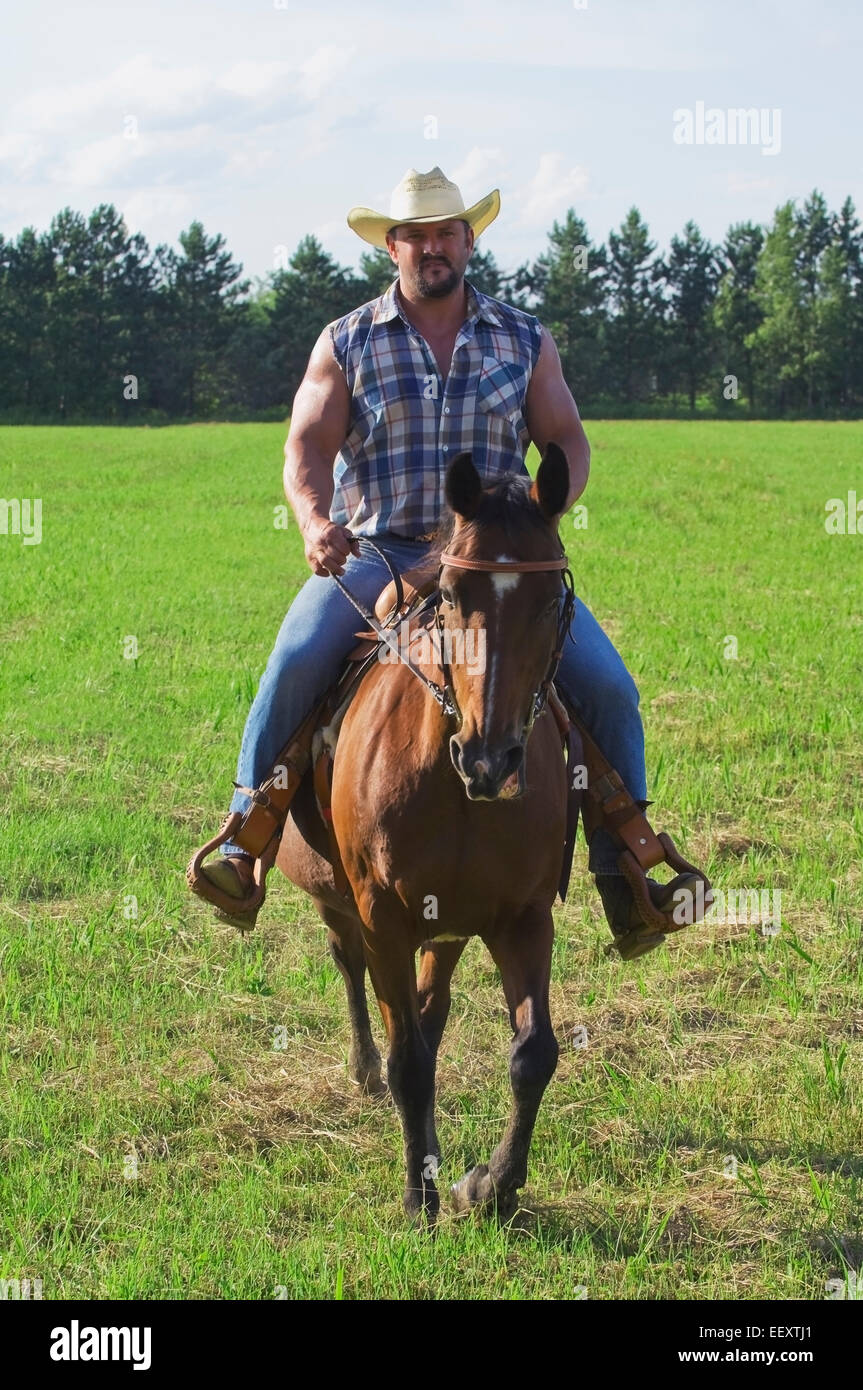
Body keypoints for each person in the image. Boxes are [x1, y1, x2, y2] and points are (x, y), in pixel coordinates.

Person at [191, 166, 706, 959]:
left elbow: (565, 436)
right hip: (380, 552)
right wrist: (312, 519)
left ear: (470, 241)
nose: (433, 248)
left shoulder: (521, 339)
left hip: (494, 565)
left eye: (447, 233)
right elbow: (307, 444)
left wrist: (545, 511)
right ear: (392, 247)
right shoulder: (347, 339)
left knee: (608, 686)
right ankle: (243, 837)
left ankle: (629, 875)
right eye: (416, 236)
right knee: (296, 656)